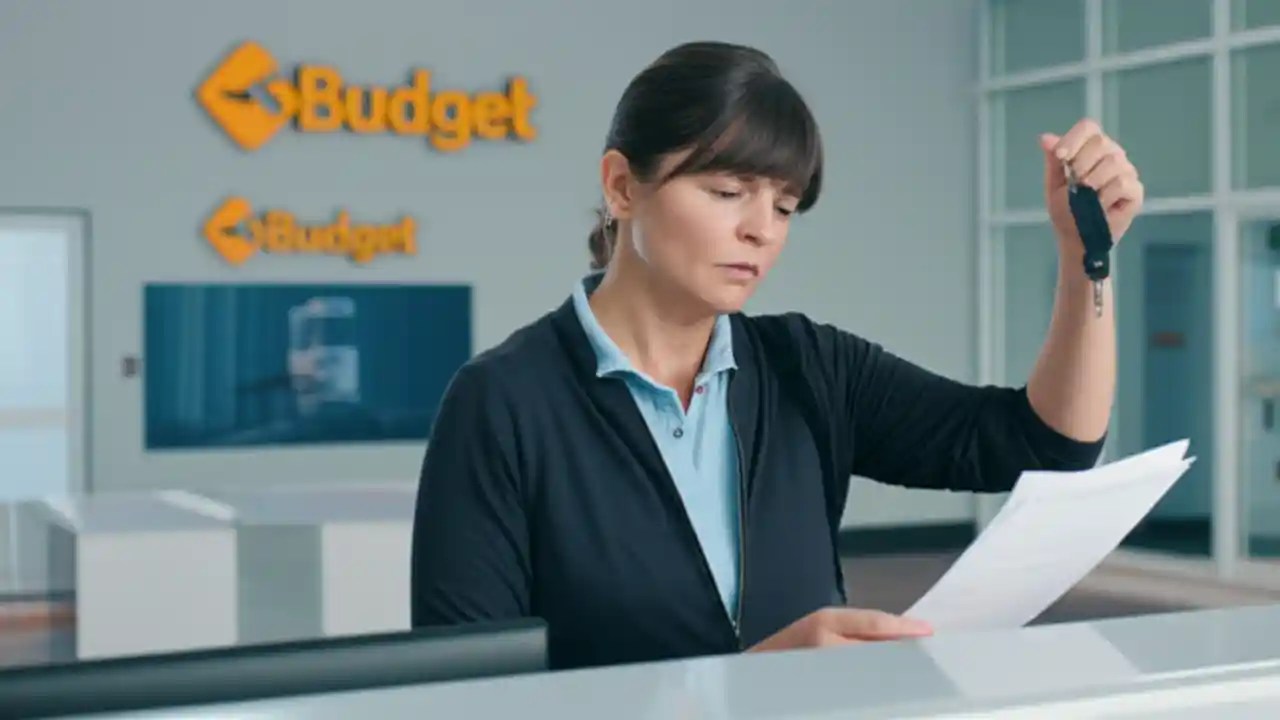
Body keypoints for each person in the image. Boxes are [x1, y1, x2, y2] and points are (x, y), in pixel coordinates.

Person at [410, 40, 1144, 671]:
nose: (762, 230)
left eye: (785, 206)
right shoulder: (503, 404)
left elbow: (1046, 445)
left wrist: (1085, 257)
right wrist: (739, 688)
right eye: (728, 191)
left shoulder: (809, 370)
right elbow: (464, 697)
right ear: (622, 186)